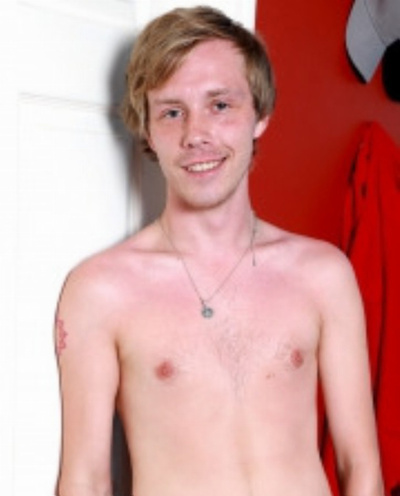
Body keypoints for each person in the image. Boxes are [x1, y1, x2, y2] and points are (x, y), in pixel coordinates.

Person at [55, 6, 384, 496]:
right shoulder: (100, 290)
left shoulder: (323, 274)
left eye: (220, 105)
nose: (196, 135)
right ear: (147, 129)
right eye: (172, 112)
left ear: (260, 115)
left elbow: (361, 467)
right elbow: (85, 480)